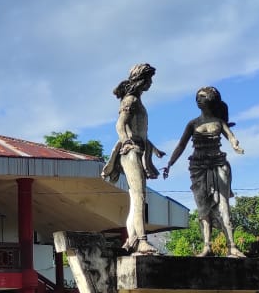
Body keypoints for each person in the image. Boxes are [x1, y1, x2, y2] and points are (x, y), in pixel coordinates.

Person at [162, 86, 245, 257]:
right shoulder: (192, 123)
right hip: (198, 166)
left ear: (210, 99)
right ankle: (207, 246)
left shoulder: (218, 122)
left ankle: (232, 245)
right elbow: (181, 145)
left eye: (202, 96)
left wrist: (236, 145)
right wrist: (170, 163)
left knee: (224, 205)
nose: (198, 100)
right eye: (197, 97)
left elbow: (231, 137)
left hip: (218, 164)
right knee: (202, 208)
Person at [102, 63, 163, 254]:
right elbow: (120, 125)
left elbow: (140, 133)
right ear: (141, 80)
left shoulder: (136, 100)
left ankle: (133, 239)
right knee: (139, 197)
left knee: (135, 197)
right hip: (131, 152)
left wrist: (154, 150)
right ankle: (142, 240)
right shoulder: (130, 100)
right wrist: (127, 143)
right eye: (149, 79)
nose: (151, 83)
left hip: (138, 149)